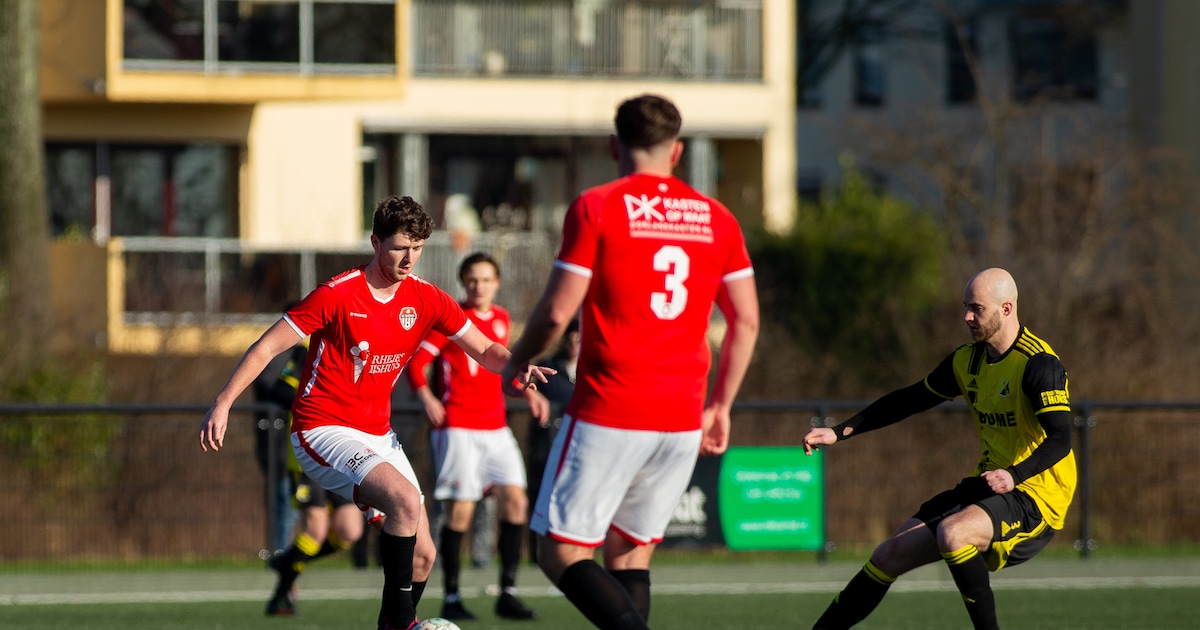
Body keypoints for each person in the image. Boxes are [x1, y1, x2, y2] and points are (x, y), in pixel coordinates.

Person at [199, 195, 552, 630]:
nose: (410, 258)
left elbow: (483, 348)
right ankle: (403, 625)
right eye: (401, 246)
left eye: (419, 247)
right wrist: (224, 401)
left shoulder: (426, 298)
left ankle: (393, 623)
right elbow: (268, 345)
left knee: (425, 554)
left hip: (376, 434)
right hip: (321, 428)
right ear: (375, 242)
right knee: (404, 500)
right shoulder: (337, 295)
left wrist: (517, 367)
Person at [502, 94, 760, 630]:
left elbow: (555, 312)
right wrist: (722, 406)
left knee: (560, 553)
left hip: (610, 409)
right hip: (683, 418)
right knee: (629, 554)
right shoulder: (718, 218)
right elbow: (747, 321)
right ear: (677, 150)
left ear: (614, 145)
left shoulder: (599, 205)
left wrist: (518, 360)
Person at [801, 267, 1076, 630]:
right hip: (990, 481)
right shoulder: (968, 360)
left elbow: (1061, 438)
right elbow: (910, 399)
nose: (966, 317)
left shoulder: (1038, 365)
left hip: (1037, 492)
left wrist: (1014, 475)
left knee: (954, 533)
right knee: (888, 554)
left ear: (1007, 309)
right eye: (965, 307)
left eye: (976, 309)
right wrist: (840, 432)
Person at [405, 251, 546, 621]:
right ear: (463, 284)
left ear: (497, 283)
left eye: (485, 279)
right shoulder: (453, 321)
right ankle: (451, 596)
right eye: (472, 280)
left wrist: (530, 392)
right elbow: (417, 364)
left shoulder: (501, 318)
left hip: (496, 427)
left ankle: (508, 593)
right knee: (461, 512)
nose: (478, 286)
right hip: (459, 428)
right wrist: (426, 398)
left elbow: (505, 371)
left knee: (516, 501)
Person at [266, 339, 367, 616]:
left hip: (343, 456)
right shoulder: (309, 349)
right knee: (316, 530)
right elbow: (278, 389)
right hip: (307, 457)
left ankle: (287, 562)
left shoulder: (359, 349)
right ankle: (280, 596)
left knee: (350, 531)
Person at [524, 318, 580, 564]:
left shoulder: (593, 369)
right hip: (547, 448)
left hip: (579, 448)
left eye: (580, 339)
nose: (574, 344)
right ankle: (538, 554)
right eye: (570, 338)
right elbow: (527, 388)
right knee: (540, 499)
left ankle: (574, 551)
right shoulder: (549, 368)